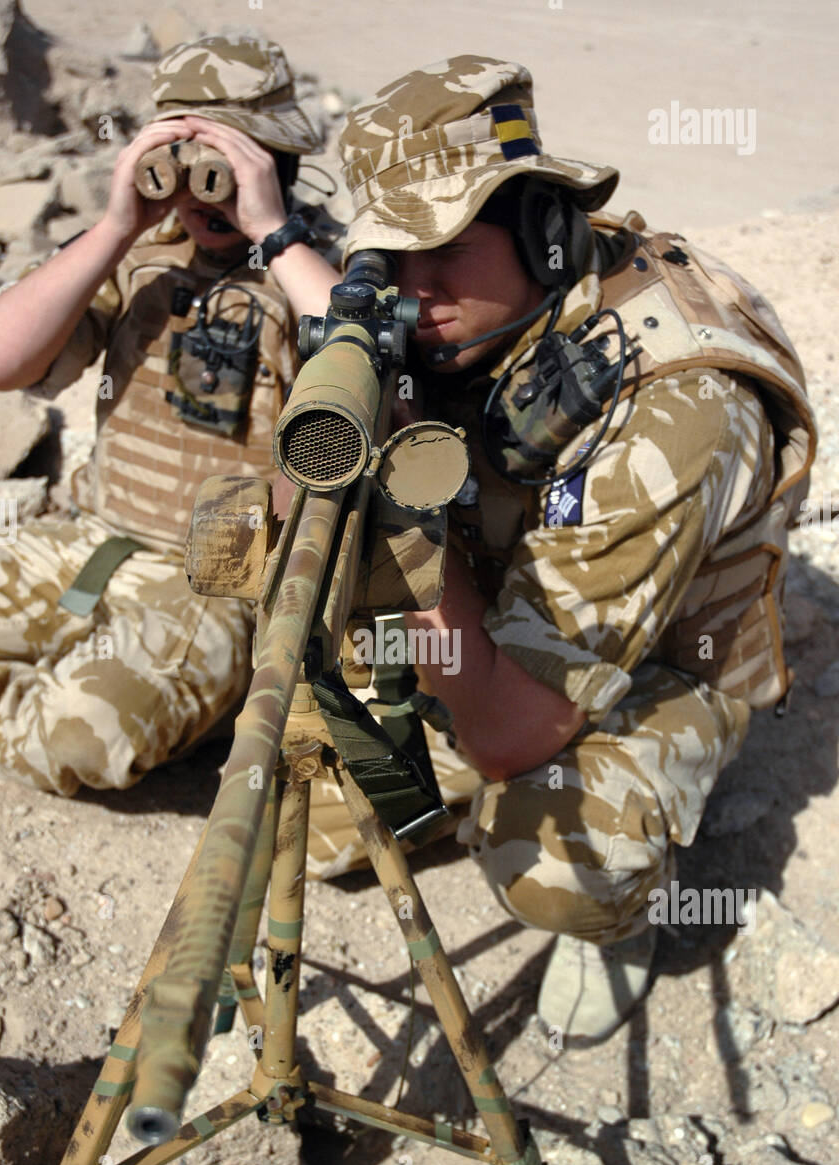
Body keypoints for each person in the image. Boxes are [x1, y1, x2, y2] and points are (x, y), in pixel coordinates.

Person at [305, 55, 817, 1046]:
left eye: (443, 249)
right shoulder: (472, 314)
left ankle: (626, 909)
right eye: (387, 261)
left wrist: (402, 507)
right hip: (502, 591)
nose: (413, 294)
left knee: (552, 858)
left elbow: (510, 731)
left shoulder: (677, 406)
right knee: (313, 816)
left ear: (545, 229)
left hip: (661, 657)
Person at [0, 34, 338, 795]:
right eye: (186, 159)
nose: (207, 193)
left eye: (230, 161)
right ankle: (73, 667)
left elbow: (375, 373)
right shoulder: (144, 255)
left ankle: (32, 694)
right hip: (90, 539)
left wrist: (274, 234)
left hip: (216, 577)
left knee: (82, 733)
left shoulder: (321, 271)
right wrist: (116, 227)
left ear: (281, 161)